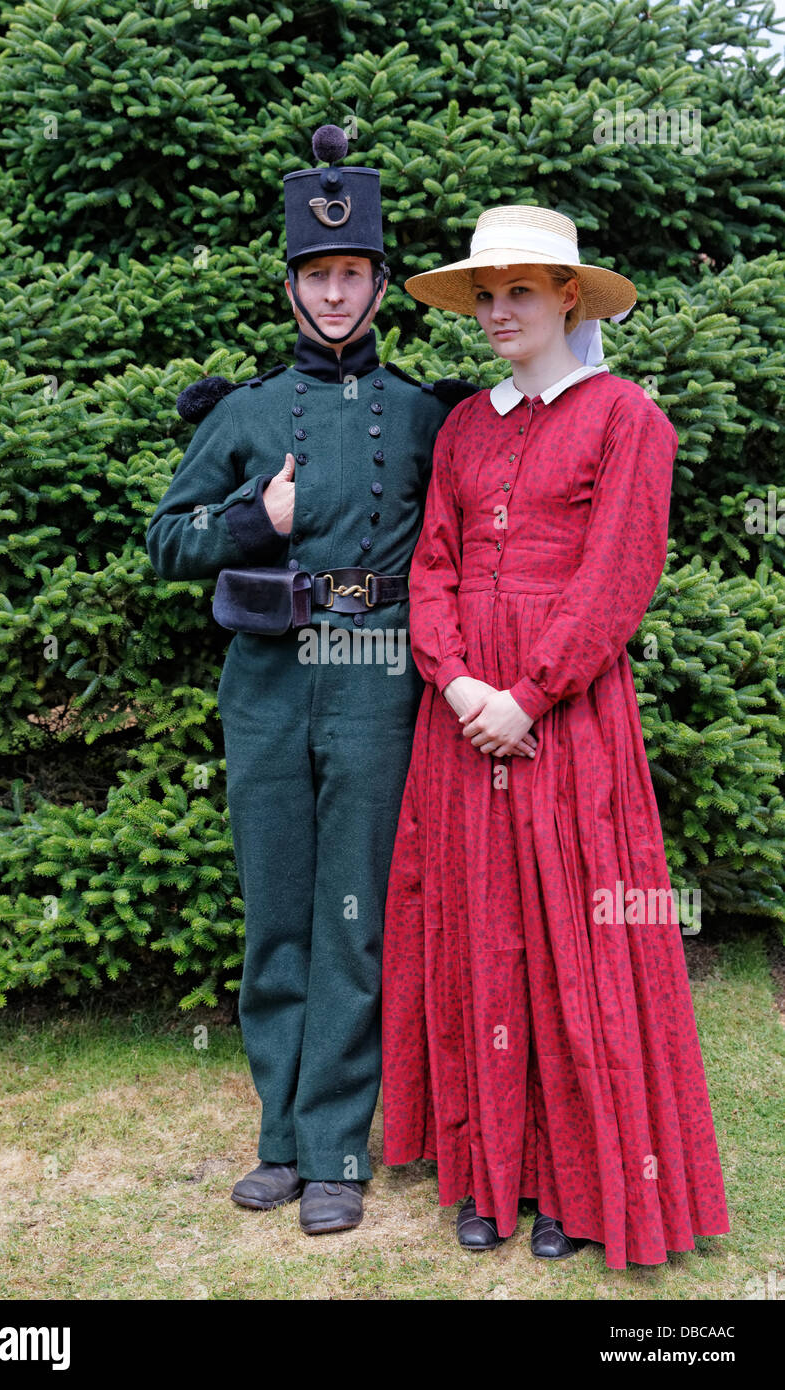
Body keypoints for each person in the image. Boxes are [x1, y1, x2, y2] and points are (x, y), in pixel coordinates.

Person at [380, 205, 730, 1268]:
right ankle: (488, 1171)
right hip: (463, 721)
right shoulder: (462, 427)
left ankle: (576, 1188)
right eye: (483, 297)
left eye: (517, 294)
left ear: (567, 298)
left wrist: (526, 697)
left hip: (563, 720)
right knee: (478, 930)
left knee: (568, 937)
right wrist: (453, 685)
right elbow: (430, 566)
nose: (496, 313)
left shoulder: (625, 418)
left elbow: (615, 577)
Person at [145, 125, 475, 1234]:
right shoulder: (239, 414)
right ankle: (278, 1139)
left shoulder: (431, 415)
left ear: (379, 283)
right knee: (278, 906)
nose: (333, 294)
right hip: (269, 679)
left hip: (377, 675)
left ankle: (338, 1143)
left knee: (354, 915)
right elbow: (164, 540)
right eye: (314, 275)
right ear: (289, 283)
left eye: (351, 274)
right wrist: (253, 518)